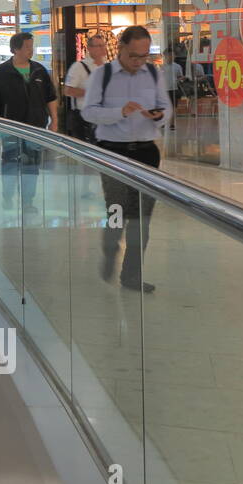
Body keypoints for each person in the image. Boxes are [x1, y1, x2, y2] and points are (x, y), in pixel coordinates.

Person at [81, 25, 169, 294]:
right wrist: (120, 112)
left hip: (146, 151)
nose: (139, 62)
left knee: (141, 217)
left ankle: (131, 275)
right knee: (117, 209)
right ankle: (110, 249)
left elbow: (167, 108)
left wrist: (159, 116)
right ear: (120, 49)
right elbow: (89, 112)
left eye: (144, 56)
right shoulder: (102, 75)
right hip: (113, 151)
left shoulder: (154, 74)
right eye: (134, 55)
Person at [0, 31, 58, 213]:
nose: (30, 50)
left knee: (32, 167)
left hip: (35, 129)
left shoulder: (39, 71)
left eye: (32, 46)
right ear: (15, 49)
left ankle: (27, 201)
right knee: (10, 165)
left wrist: (54, 120)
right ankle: (7, 196)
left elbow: (50, 97)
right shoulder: (1, 73)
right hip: (11, 129)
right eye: (27, 47)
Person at [62, 33, 107, 142]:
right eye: (99, 46)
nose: (102, 48)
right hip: (83, 119)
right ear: (89, 48)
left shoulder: (108, 66)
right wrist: (92, 93)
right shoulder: (78, 67)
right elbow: (67, 91)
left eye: (103, 45)